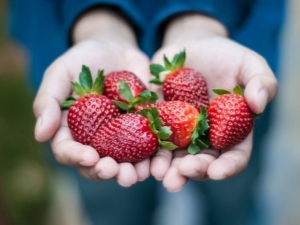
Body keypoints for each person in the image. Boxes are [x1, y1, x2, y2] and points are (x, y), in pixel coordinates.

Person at [9, 0, 285, 224]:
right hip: (66, 31)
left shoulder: (221, 108)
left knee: (233, 200)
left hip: (229, 52)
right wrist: (98, 22)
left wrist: (200, 20)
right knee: (112, 207)